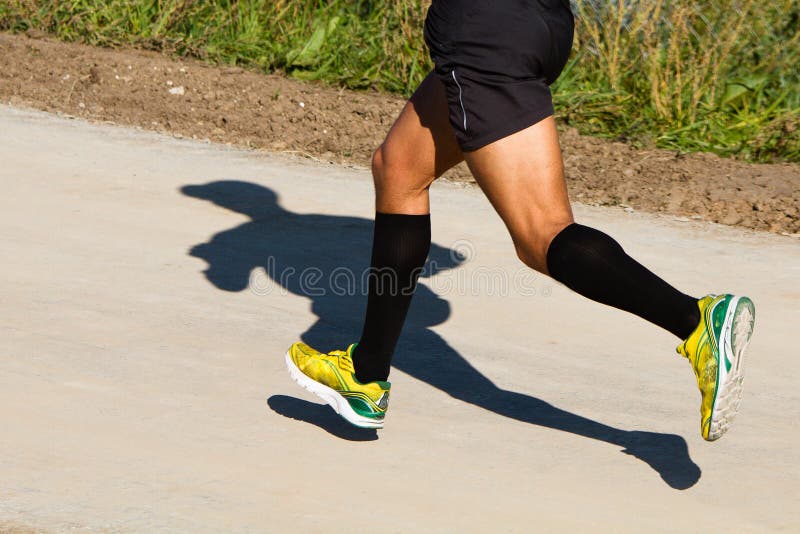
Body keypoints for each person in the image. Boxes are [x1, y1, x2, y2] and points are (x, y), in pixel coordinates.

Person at [285, 0, 755, 441]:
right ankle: (365, 375)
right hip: (536, 21)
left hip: (484, 30)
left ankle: (696, 321)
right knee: (398, 169)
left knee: (542, 234)